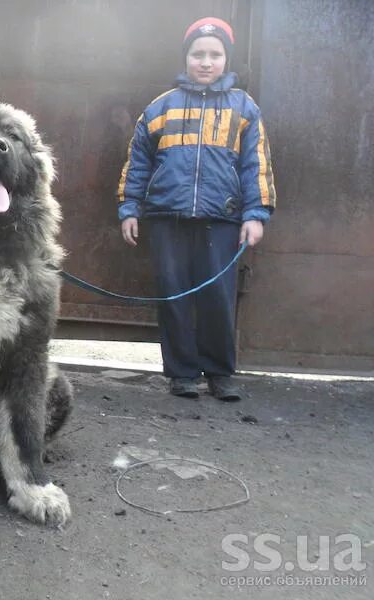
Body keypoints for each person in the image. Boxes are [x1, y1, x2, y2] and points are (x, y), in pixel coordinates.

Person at [116, 17, 276, 401]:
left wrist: (255, 214)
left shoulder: (244, 108)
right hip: (166, 218)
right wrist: (129, 208)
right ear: (186, 58)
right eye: (198, 54)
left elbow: (257, 164)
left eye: (215, 55)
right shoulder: (160, 108)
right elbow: (137, 163)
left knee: (218, 298)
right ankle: (182, 373)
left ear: (227, 59)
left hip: (222, 220)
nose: (206, 62)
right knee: (173, 296)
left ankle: (220, 372)